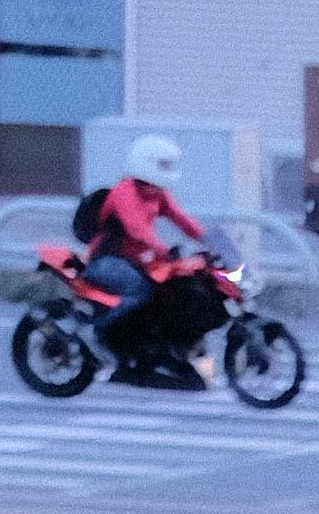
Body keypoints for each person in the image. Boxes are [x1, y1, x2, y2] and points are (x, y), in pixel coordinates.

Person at [68, 147, 226, 388]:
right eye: (163, 166)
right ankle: (98, 334)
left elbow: (182, 219)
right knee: (140, 290)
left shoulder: (156, 193)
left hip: (137, 260)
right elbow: (137, 228)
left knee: (171, 293)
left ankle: (158, 350)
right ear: (145, 165)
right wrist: (165, 251)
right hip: (105, 262)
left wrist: (210, 242)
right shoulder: (124, 192)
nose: (166, 173)